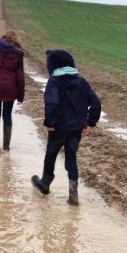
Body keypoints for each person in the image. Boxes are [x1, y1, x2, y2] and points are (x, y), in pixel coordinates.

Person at [31, 49, 101, 206]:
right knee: (71, 158)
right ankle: (73, 193)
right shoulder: (82, 82)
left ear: (53, 66)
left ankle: (45, 183)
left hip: (58, 128)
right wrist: (90, 123)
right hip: (76, 129)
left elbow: (51, 104)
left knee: (51, 154)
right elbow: (95, 102)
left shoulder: (54, 82)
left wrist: (49, 123)